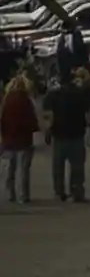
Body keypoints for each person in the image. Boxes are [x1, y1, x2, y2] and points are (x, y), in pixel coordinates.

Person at [41, 68, 90, 202]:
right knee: (77, 166)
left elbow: (48, 116)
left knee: (58, 167)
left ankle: (59, 192)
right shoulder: (80, 94)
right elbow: (89, 115)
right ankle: (77, 191)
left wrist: (47, 132)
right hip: (77, 135)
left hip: (59, 135)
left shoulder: (52, 95)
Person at [0, 73, 39, 203]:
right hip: (25, 141)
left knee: (10, 170)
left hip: (9, 140)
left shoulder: (6, 100)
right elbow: (33, 121)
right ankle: (24, 195)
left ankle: (11, 194)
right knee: (24, 171)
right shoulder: (27, 101)